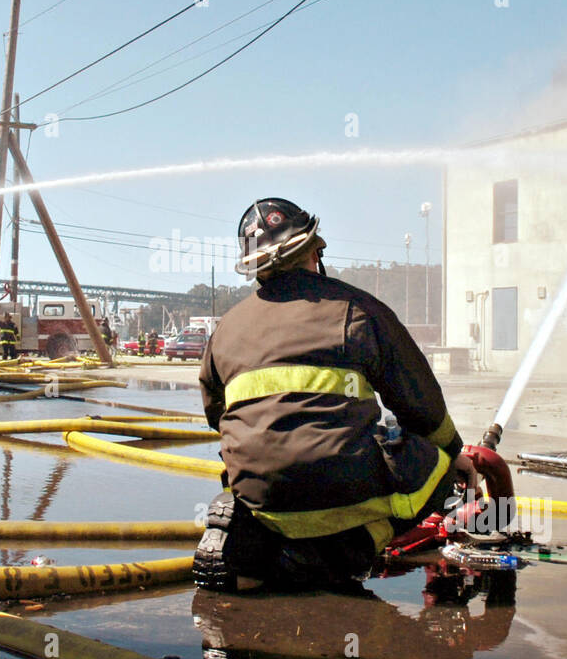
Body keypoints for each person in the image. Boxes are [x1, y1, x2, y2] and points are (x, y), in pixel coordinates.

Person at [194, 198, 514, 593]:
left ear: (254, 266)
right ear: (315, 250)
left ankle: (261, 542)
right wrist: (455, 456)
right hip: (343, 494)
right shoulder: (357, 309)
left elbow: (217, 416)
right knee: (437, 462)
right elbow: (423, 408)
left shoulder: (225, 329)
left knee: (251, 466)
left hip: (262, 498)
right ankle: (348, 548)